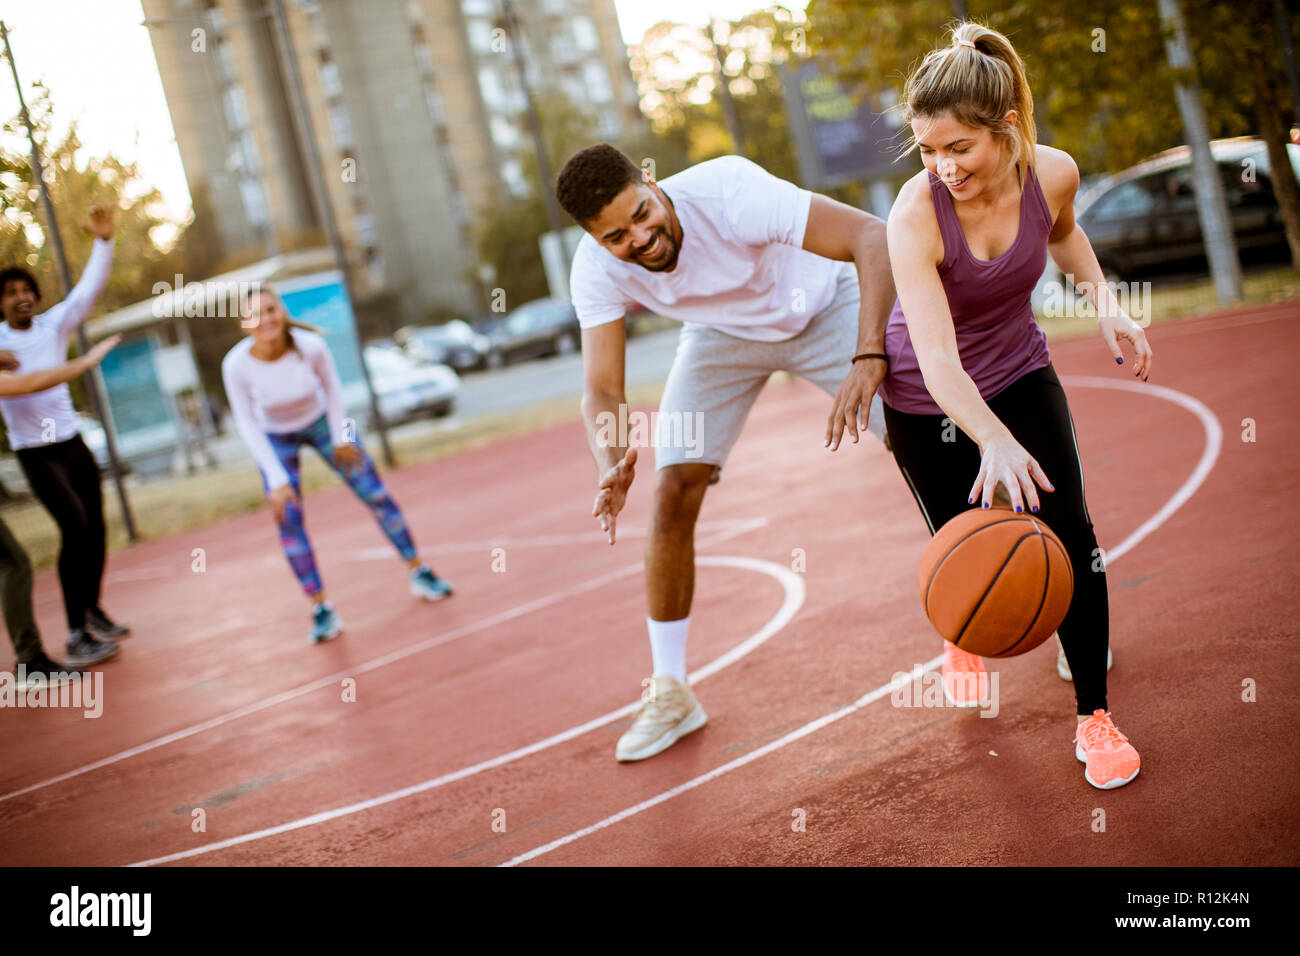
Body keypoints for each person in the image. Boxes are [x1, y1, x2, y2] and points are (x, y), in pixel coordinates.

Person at [556, 144, 896, 762]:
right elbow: (602, 390)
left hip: (826, 307)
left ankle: (1051, 601)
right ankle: (671, 691)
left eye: (641, 213)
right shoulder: (596, 268)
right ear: (592, 239)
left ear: (652, 181)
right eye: (616, 236)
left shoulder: (729, 190)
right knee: (670, 488)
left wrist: (870, 351)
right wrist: (610, 461)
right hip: (721, 339)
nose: (640, 238)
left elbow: (871, 236)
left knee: (931, 442)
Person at [880, 22, 1153, 790]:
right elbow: (935, 359)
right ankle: (962, 634)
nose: (942, 167)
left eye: (957, 148)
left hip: (1018, 366)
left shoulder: (1053, 172)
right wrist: (989, 439)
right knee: (961, 542)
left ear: (1003, 129)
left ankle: (1094, 718)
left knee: (1070, 529)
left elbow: (1065, 235)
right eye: (926, 149)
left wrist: (1106, 305)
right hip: (922, 395)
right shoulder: (915, 214)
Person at [221, 286, 453, 644]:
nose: (265, 319)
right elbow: (246, 422)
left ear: (281, 312)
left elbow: (334, 393)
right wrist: (276, 477)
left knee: (375, 494)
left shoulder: (311, 346)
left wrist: (342, 438)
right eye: (255, 314)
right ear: (243, 323)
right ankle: (321, 609)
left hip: (322, 422)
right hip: (275, 436)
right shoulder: (236, 365)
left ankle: (420, 572)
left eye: (271, 310)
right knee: (289, 516)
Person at [0, 204, 131, 654]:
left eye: (27, 290)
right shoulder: (0, 341)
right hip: (36, 453)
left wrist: (105, 241)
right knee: (74, 527)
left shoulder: (53, 326)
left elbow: (87, 291)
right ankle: (75, 636)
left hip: (71, 443)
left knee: (94, 528)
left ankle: (91, 610)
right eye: (11, 292)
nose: (22, 297)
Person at [0, 334, 123, 689]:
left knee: (14, 562)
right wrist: (84, 362)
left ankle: (33, 657)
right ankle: (29, 661)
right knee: (13, 563)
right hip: (36, 450)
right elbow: (31, 382)